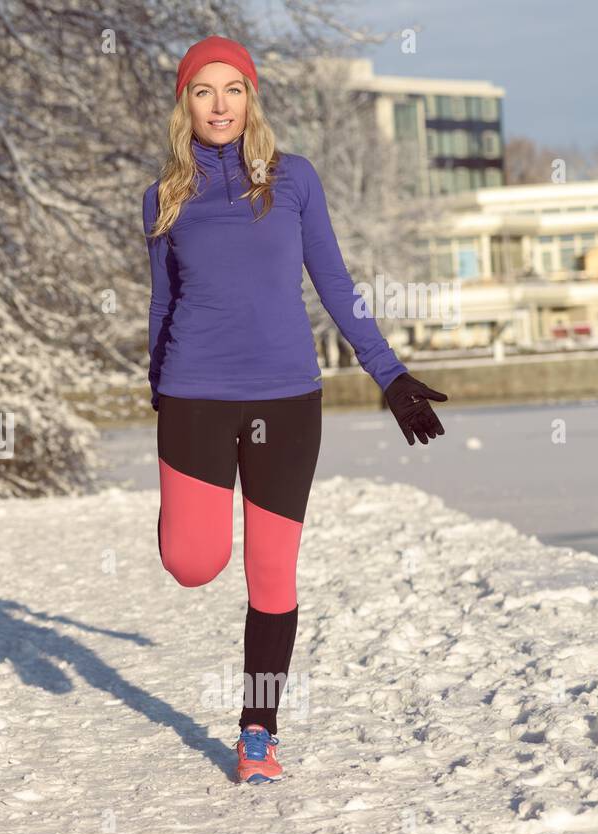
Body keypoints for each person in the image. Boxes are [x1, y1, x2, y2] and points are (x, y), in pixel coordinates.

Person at [143, 36, 448, 784]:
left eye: (234, 89)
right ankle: (186, 511)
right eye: (203, 91)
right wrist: (158, 392)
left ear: (252, 99)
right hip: (194, 396)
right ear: (186, 105)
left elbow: (337, 286)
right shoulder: (165, 196)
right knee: (191, 561)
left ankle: (257, 731)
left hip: (285, 398)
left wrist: (391, 374)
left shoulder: (294, 181)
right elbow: (162, 300)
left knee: (272, 574)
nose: (220, 104)